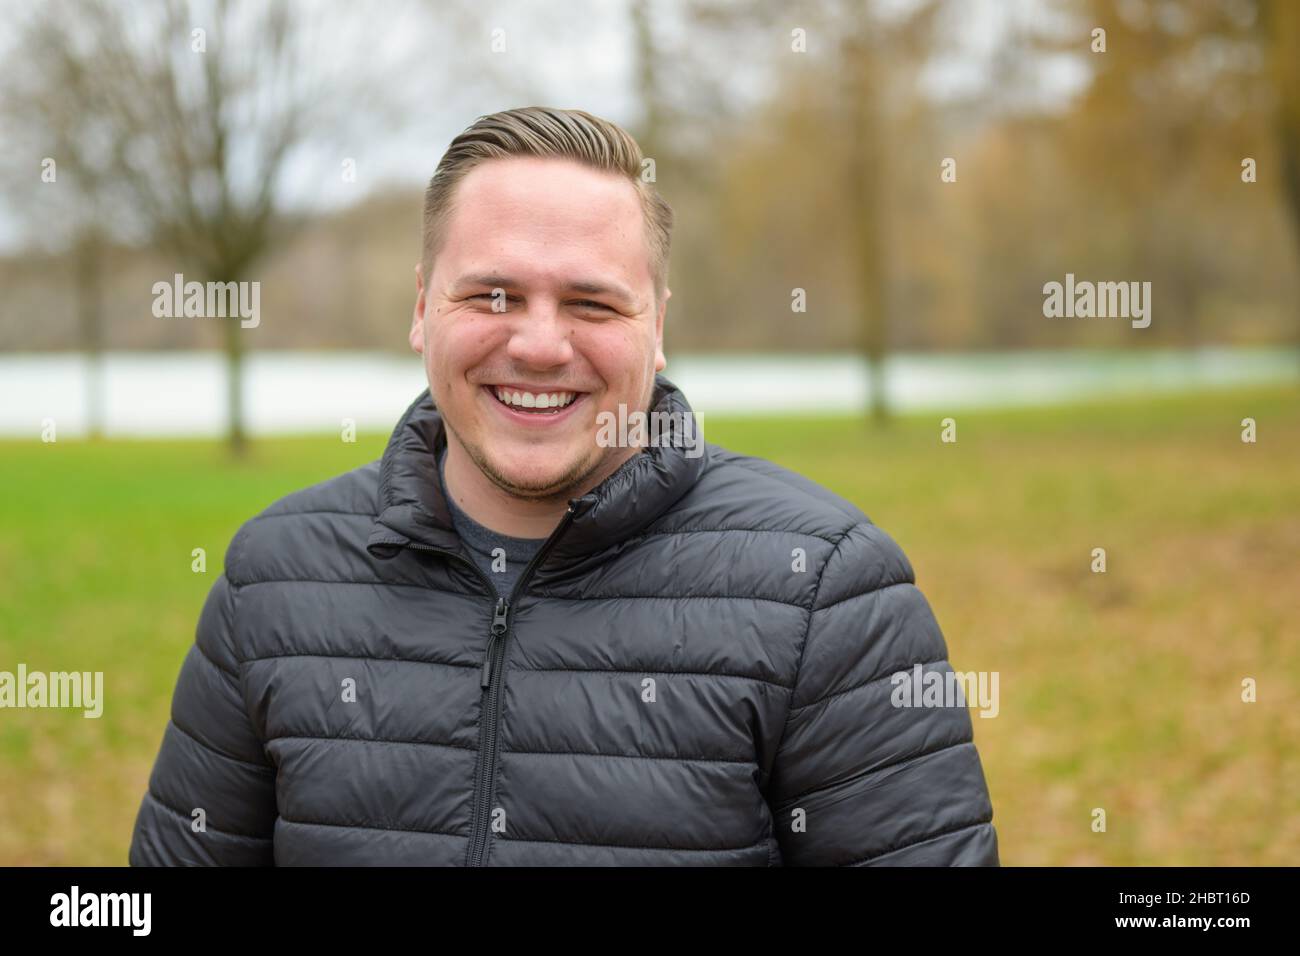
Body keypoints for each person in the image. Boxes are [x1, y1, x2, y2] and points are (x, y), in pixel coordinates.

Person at [128, 106, 999, 866]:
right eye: (494, 294)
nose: (541, 345)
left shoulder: (828, 594)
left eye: (591, 303)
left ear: (657, 326)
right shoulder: (272, 579)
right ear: (423, 307)